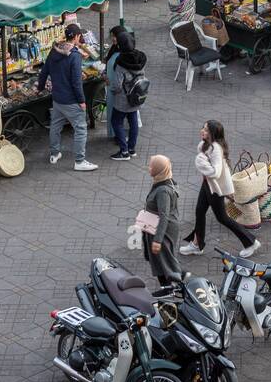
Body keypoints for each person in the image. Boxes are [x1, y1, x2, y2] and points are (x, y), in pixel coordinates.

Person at [180, 120, 260, 259]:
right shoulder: (206, 145)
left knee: (222, 217)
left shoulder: (216, 149)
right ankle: (197, 244)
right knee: (199, 211)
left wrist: (201, 163)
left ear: (212, 133)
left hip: (215, 188)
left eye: (206, 130)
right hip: (208, 184)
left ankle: (251, 242)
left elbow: (216, 172)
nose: (202, 131)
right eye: (203, 128)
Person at [37, 24, 97, 172]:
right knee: (81, 129)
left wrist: (40, 88)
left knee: (55, 126)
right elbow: (76, 82)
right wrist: (81, 101)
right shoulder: (74, 56)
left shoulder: (54, 50)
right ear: (76, 37)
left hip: (57, 98)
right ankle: (79, 161)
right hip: (71, 100)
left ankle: (54, 154)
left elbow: (44, 72)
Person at [143, 155, 181, 285]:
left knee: (163, 263)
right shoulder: (164, 181)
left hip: (162, 231)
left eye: (151, 166)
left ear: (159, 169)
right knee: (162, 261)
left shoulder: (163, 191)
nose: (149, 168)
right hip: (159, 228)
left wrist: (157, 240)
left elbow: (164, 215)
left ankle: (170, 287)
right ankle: (170, 285)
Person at [106, 44, 147, 161]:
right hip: (135, 97)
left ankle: (124, 151)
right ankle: (131, 149)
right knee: (133, 122)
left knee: (116, 122)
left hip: (122, 100)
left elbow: (117, 85)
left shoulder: (121, 64)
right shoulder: (140, 59)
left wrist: (112, 90)